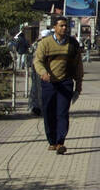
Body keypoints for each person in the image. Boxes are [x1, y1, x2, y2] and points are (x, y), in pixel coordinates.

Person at [33, 17, 84, 155]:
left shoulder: (72, 44)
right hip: (49, 83)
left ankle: (60, 142)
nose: (64, 28)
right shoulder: (45, 43)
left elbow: (78, 65)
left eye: (65, 26)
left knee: (62, 113)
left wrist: (78, 85)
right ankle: (52, 141)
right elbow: (37, 61)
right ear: (54, 27)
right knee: (49, 112)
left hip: (65, 82)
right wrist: (43, 73)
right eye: (61, 26)